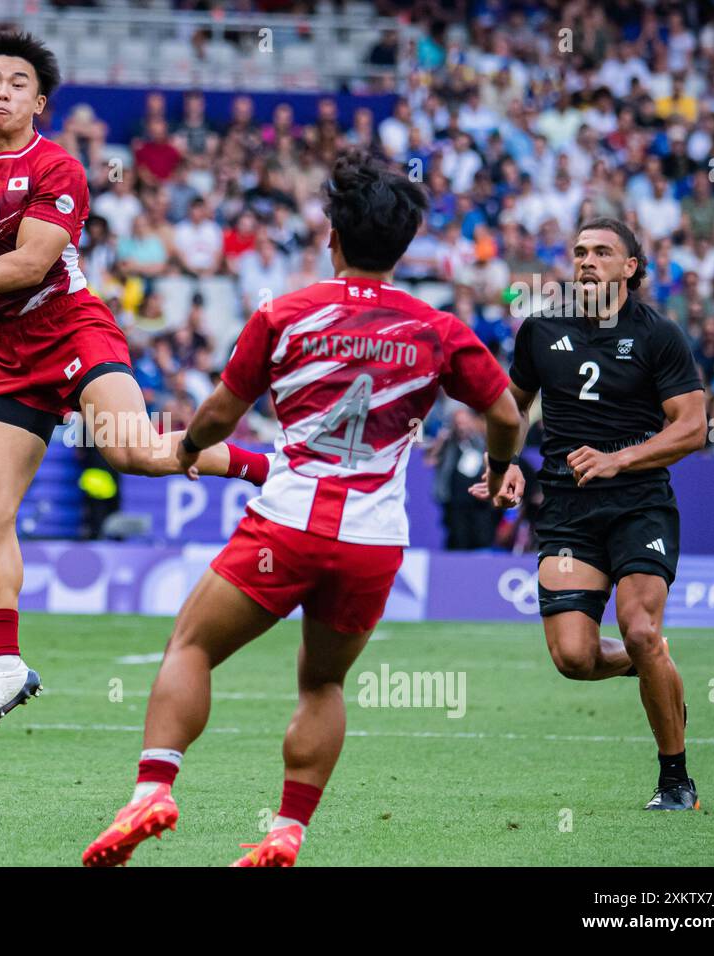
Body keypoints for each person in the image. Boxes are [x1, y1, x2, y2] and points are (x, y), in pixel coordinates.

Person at [82, 150, 523, 867]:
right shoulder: (437, 330)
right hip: (374, 540)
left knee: (190, 647)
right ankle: (288, 829)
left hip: (284, 526)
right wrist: (502, 468)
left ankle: (153, 790)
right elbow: (505, 412)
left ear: (332, 236)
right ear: (406, 245)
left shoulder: (284, 314)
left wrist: (192, 448)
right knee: (322, 681)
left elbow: (223, 413)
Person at [0, 32, 270, 733]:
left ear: (38, 101)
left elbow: (32, 264)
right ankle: (3, 662)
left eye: (15, 84)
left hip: (75, 330)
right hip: (13, 352)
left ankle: (266, 468)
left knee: (134, 453)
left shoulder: (59, 167)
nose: (0, 91)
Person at [476, 218, 707, 811]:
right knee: (574, 659)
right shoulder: (540, 329)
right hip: (567, 508)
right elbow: (511, 410)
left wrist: (619, 459)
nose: (587, 260)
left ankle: (675, 781)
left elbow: (691, 428)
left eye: (603, 252)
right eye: (580, 252)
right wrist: (503, 468)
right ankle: (656, 664)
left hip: (640, 502)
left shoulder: (660, 335)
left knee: (637, 628)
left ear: (630, 266)